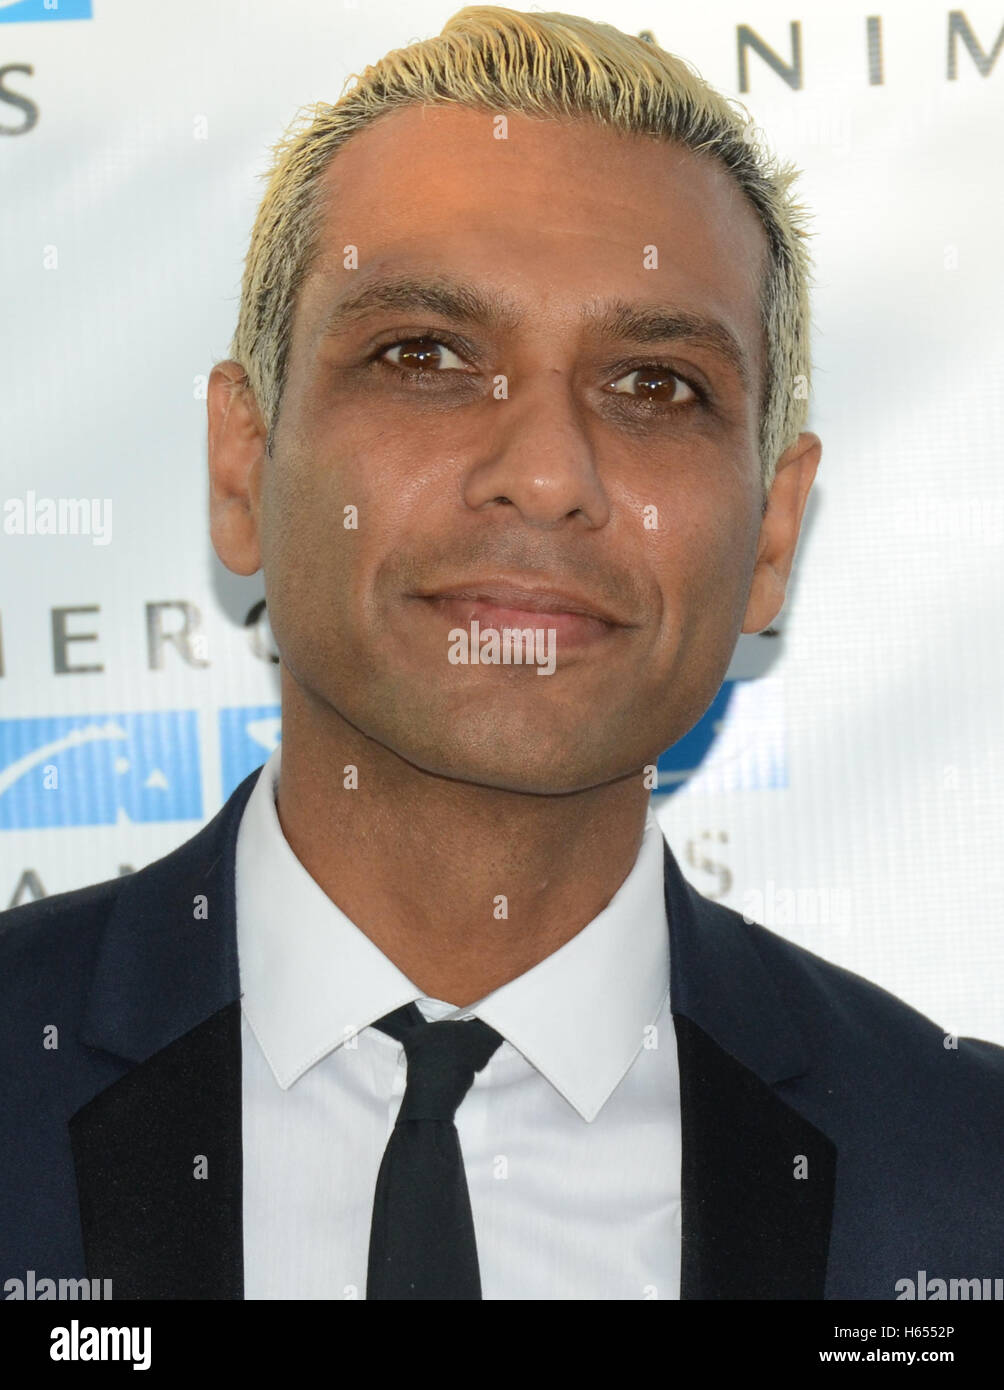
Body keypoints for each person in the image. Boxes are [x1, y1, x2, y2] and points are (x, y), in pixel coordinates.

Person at [2, 6, 1001, 1302]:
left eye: (655, 385)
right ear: (242, 465)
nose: (544, 473)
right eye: (424, 355)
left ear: (772, 529)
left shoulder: (970, 1182)